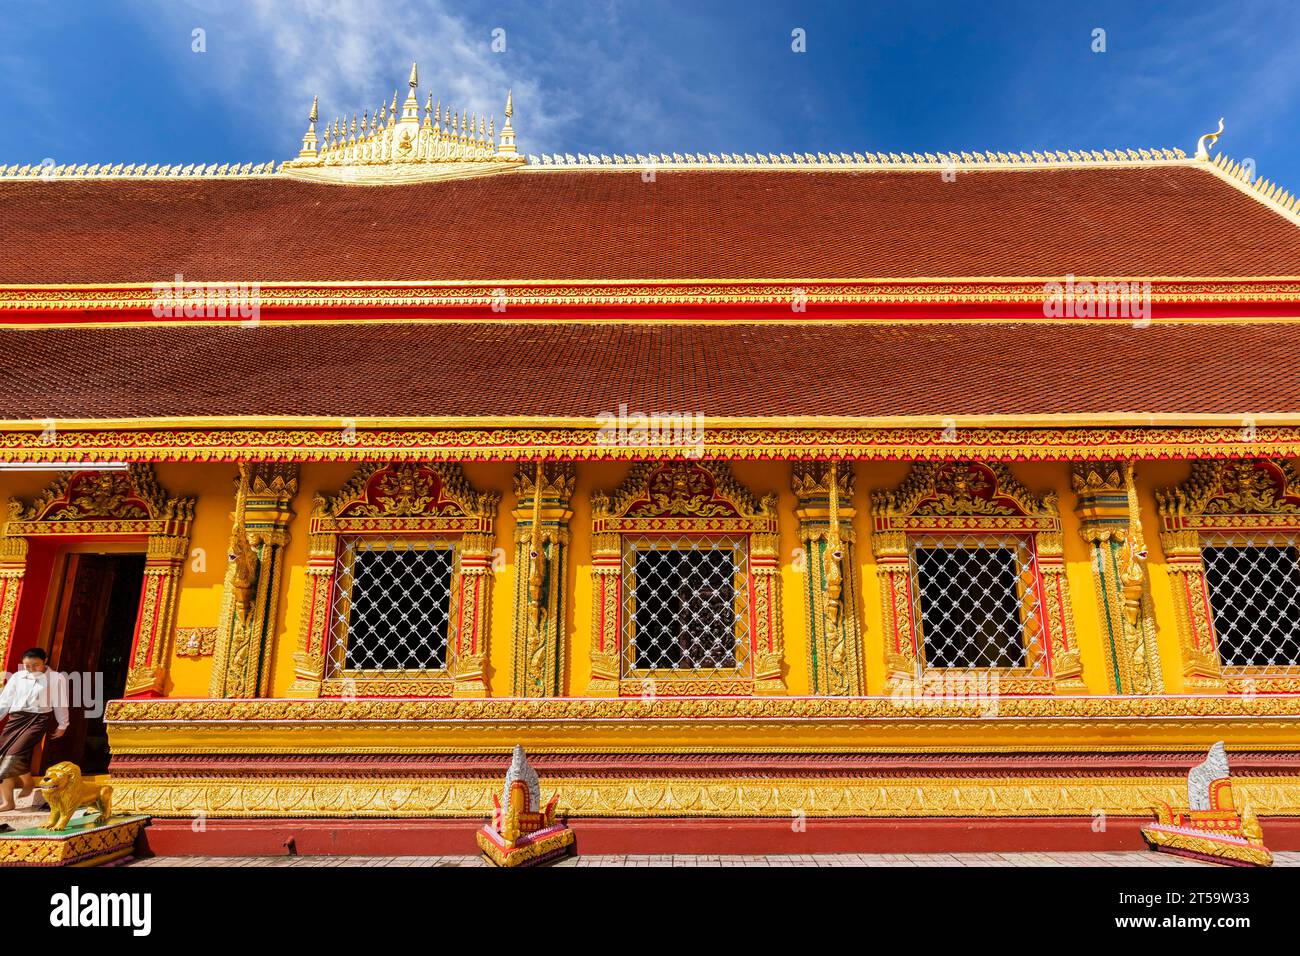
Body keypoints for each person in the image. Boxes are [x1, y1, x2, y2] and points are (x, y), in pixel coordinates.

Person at [0, 648, 69, 812]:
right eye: (27, 665)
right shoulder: (17, 677)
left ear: (45, 660)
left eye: (35, 665)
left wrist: (62, 724)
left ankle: (27, 781)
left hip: (38, 720)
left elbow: (60, 702)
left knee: (13, 755)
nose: (31, 668)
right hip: (15, 719)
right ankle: (8, 802)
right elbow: (5, 700)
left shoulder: (56, 678)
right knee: (2, 757)